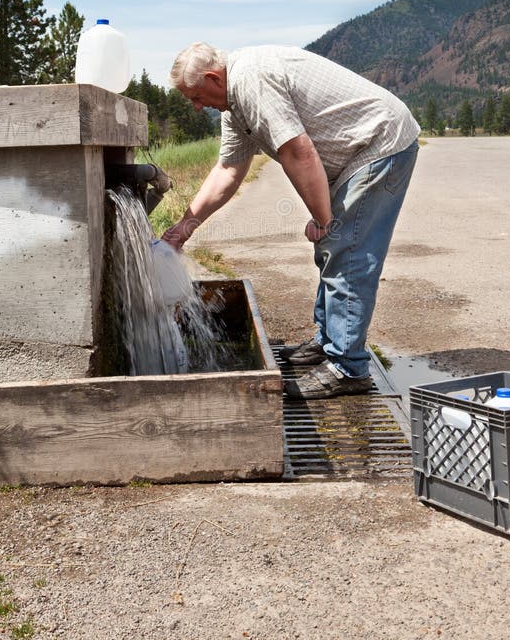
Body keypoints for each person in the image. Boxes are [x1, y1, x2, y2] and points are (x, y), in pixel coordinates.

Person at [162, 43, 420, 399]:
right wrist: (182, 229)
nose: (196, 105)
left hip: (379, 141)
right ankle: (330, 341)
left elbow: (298, 151)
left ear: (212, 77)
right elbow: (228, 169)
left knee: (347, 248)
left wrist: (322, 218)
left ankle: (347, 367)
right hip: (359, 151)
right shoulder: (234, 105)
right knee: (334, 246)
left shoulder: (251, 80)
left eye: (195, 96)